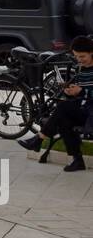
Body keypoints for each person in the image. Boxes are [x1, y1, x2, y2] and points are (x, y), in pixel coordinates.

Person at [18, 36, 93, 173]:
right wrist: (71, 91)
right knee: (64, 119)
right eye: (76, 56)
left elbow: (86, 91)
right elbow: (82, 92)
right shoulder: (80, 69)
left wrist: (82, 90)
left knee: (62, 108)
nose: (79, 60)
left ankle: (38, 139)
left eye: (82, 56)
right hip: (85, 110)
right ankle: (77, 160)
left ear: (91, 52)